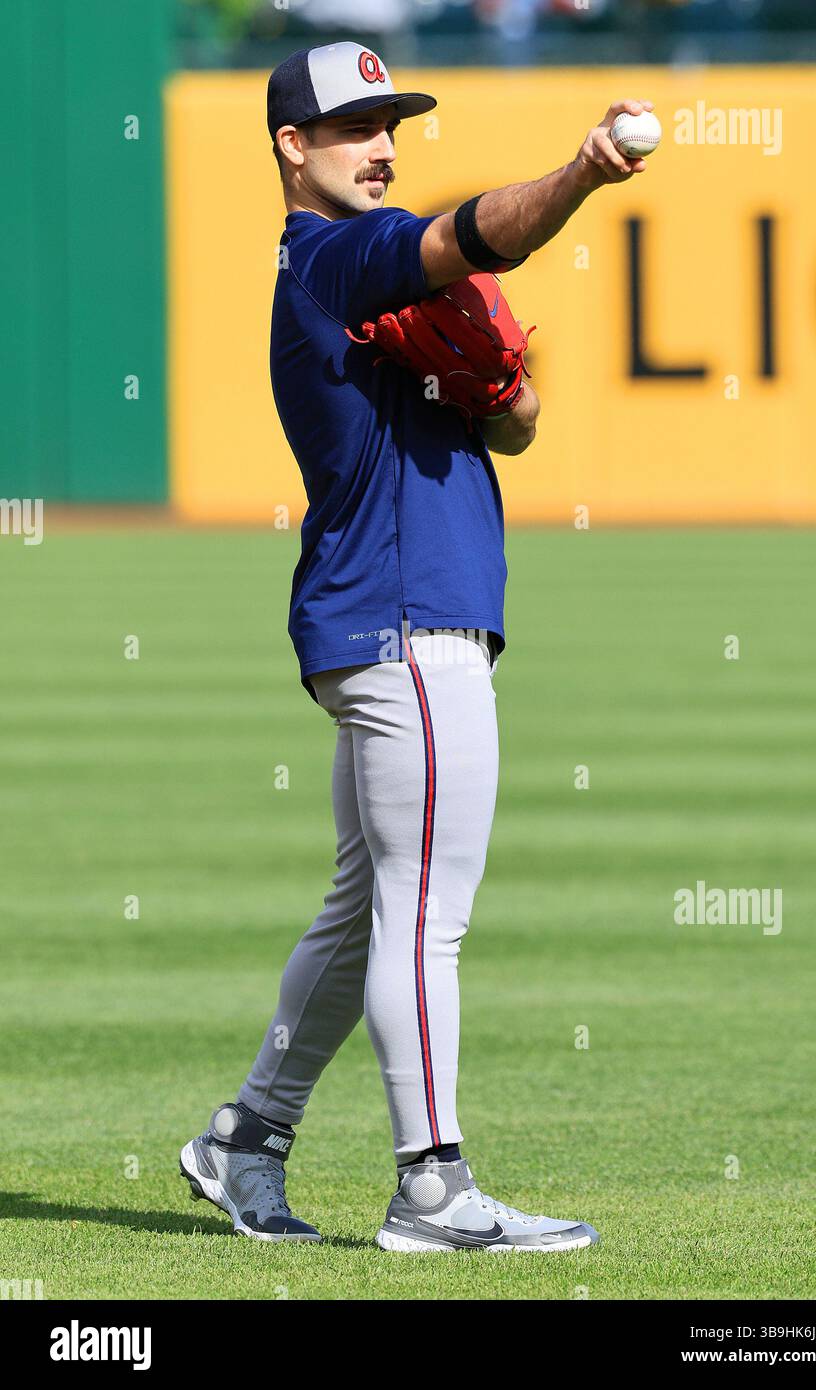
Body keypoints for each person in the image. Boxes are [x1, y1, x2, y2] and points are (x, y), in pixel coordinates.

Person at [180, 40, 652, 1252]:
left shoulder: (361, 280)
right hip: (405, 624)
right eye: (354, 126)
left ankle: (245, 1141)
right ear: (293, 145)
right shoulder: (335, 255)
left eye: (392, 122)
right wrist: (583, 172)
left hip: (384, 618)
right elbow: (473, 235)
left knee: (362, 911)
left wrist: (505, 390)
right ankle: (432, 1187)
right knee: (425, 916)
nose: (381, 145)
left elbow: (517, 424)